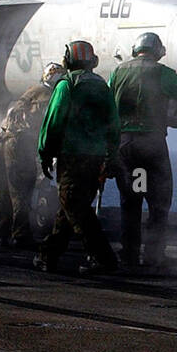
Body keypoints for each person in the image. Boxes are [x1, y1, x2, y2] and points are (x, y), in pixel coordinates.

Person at [107, 32, 177, 268]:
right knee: (159, 200)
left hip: (124, 144)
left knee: (130, 201)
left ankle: (129, 253)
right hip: (151, 143)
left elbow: (108, 102)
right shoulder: (162, 73)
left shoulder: (118, 72)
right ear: (157, 50)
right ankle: (154, 254)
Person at [34, 41, 119, 274]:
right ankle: (47, 256)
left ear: (68, 60)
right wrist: (111, 155)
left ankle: (103, 258)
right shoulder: (102, 86)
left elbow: (53, 121)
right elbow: (113, 124)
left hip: (71, 157)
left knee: (75, 206)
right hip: (96, 158)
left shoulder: (67, 85)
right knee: (69, 207)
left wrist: (44, 153)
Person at [0, 62, 64, 249]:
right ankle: (21, 235)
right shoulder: (48, 96)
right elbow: (48, 125)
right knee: (22, 190)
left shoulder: (32, 90)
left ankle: (3, 231)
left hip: (3, 142)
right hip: (20, 144)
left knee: (5, 189)